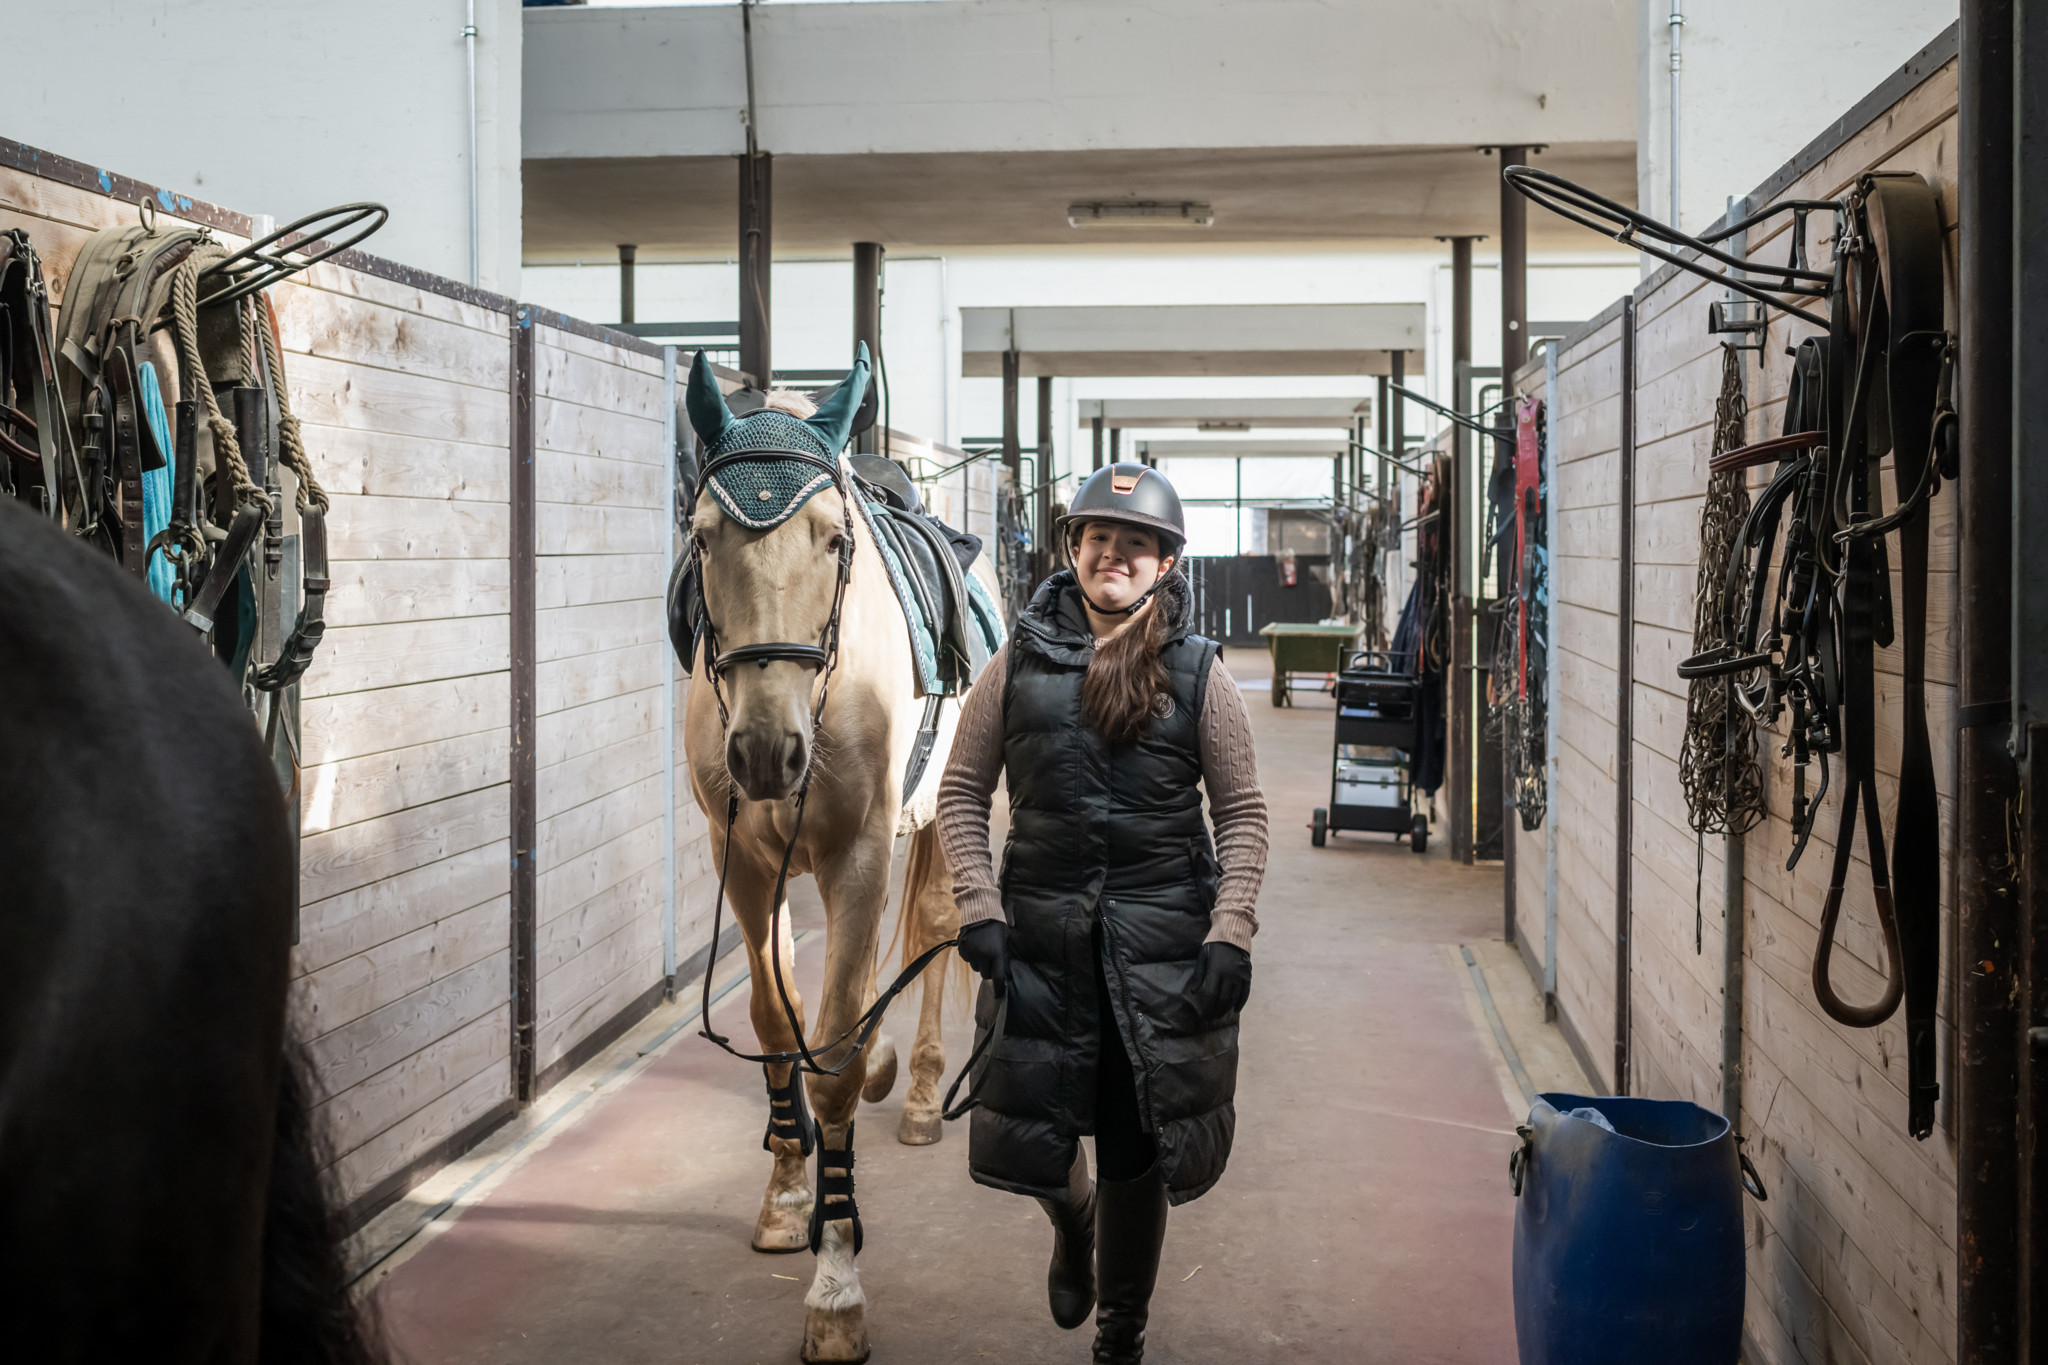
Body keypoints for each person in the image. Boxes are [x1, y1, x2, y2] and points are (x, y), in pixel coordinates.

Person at [936, 463, 1268, 1364]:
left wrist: (1229, 930)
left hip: (1158, 953)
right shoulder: (1016, 662)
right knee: (1041, 1129)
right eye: (1099, 538)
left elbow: (1241, 814)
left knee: (1132, 1143)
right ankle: (1068, 1215)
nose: (1113, 554)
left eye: (1135, 543)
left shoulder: (1201, 673)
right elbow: (962, 790)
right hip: (1040, 943)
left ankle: (1121, 1329)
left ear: (1165, 564)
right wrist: (979, 904)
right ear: (1073, 550)